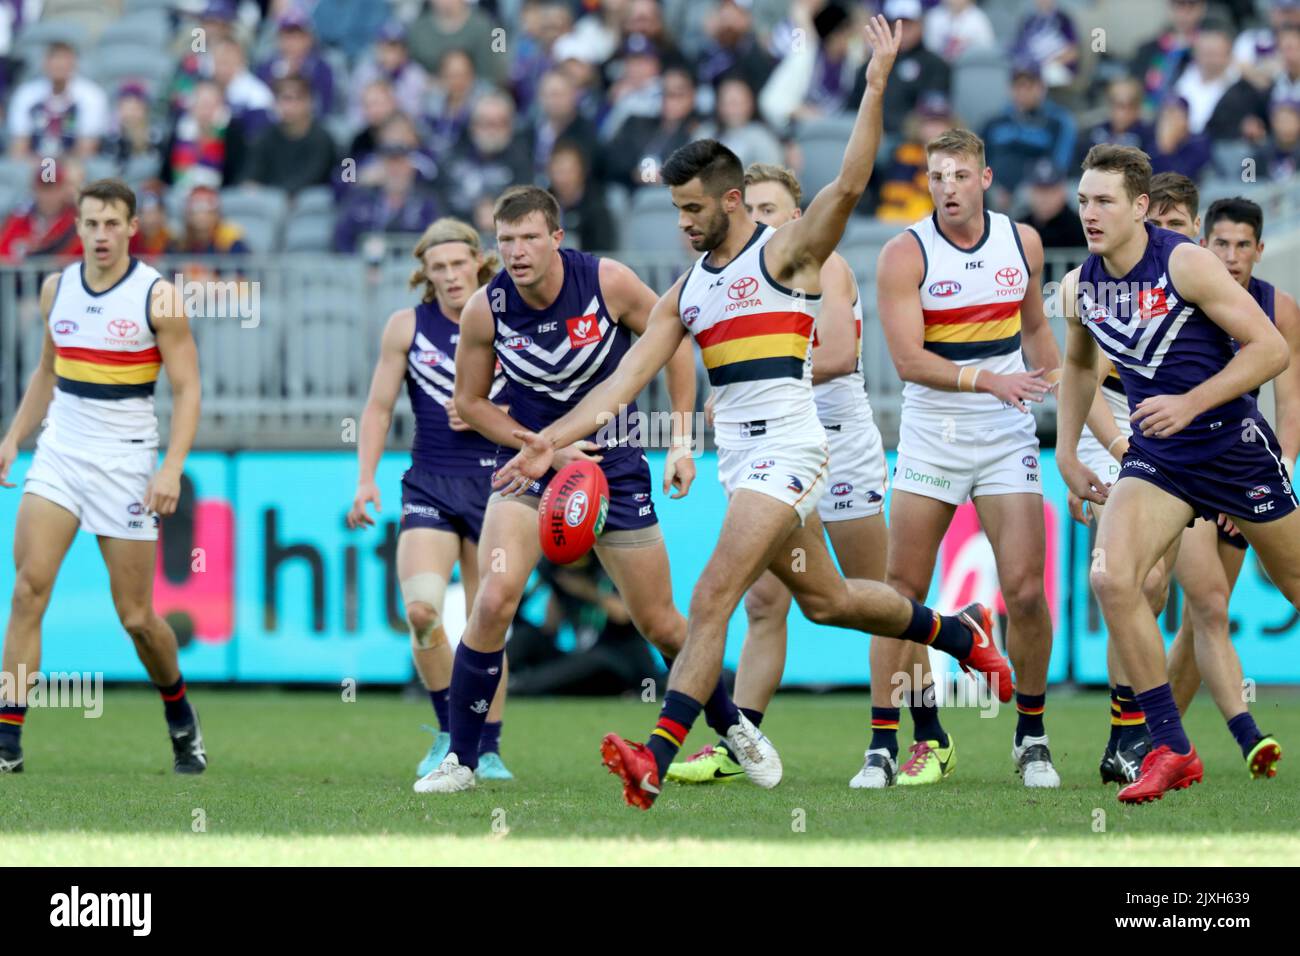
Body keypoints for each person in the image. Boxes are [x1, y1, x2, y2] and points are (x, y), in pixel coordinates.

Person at [495, 17, 1010, 812]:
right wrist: (546, 445)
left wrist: (873, 85)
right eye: (675, 208)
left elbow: (845, 187)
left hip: (794, 452)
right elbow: (621, 382)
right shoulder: (689, 288)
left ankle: (655, 757)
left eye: (694, 207)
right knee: (828, 601)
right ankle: (959, 630)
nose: (683, 221)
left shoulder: (786, 254)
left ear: (733, 200)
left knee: (710, 599)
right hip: (744, 462)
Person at [416, 184, 771, 797]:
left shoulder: (608, 282)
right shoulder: (486, 307)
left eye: (530, 237)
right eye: (506, 241)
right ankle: (463, 759)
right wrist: (540, 446)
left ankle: (732, 723)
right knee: (495, 597)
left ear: (557, 238)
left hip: (616, 467)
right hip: (528, 463)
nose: (518, 251)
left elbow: (675, 342)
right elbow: (469, 402)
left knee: (660, 623)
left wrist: (682, 440)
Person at [1056, 144, 1299, 803]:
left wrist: (1191, 402)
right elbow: (1079, 366)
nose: (1090, 213)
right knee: (1111, 577)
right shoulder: (1081, 284)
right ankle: (1172, 748)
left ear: (1140, 207)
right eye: (1082, 200)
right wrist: (1067, 451)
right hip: (1159, 460)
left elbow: (1271, 350)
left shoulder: (1186, 262)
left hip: (1232, 447)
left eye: (1104, 200)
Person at [665, 162, 891, 788]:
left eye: (771, 210)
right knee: (775, 601)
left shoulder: (823, 262)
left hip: (837, 440)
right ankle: (744, 737)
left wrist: (754, 375)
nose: (759, 221)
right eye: (753, 209)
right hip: (772, 449)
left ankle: (903, 736)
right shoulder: (728, 275)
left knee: (869, 591)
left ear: (796, 215)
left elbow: (841, 354)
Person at [874, 127, 1062, 789]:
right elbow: (907, 361)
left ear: (984, 180)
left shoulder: (1023, 241)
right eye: (937, 177)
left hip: (1006, 432)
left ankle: (1031, 737)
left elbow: (1034, 323)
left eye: (960, 176)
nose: (947, 188)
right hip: (934, 435)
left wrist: (1060, 380)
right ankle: (882, 744)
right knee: (899, 594)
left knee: (1026, 593)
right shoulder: (905, 253)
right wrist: (988, 379)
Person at [0, 179, 204, 774]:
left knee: (137, 618)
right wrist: (14, 438)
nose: (101, 235)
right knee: (27, 590)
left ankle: (180, 716)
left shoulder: (157, 296)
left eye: (113, 223)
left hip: (125, 460)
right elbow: (46, 371)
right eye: (91, 223)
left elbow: (189, 389)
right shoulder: (55, 289)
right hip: (61, 453)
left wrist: (171, 466)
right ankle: (8, 741)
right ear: (79, 226)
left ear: (132, 228)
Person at [347, 218, 513, 783]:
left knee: (486, 618)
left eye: (458, 264)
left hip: (498, 485)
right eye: (437, 267)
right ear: (425, 273)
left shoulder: (508, 315)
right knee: (420, 610)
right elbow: (376, 407)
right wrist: (365, 478)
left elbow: (544, 395)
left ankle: (485, 750)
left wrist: (492, 410)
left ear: (478, 262)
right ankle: (450, 735)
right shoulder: (406, 327)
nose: (449, 276)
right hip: (432, 484)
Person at [1162, 196, 1296, 780]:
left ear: (1260, 251)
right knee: (1209, 605)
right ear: (1202, 244)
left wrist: (1273, 475)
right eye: (1222, 244)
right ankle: (1215, 738)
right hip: (1185, 472)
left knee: (1201, 620)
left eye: (1244, 245)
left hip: (1246, 472)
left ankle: (1158, 743)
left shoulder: (1278, 309)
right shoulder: (1181, 299)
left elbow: (1289, 407)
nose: (1233, 256)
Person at [6, 40, 108, 159]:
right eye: (55, 58)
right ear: (45, 63)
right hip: (33, 165)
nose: (59, 64)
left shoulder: (92, 95)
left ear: (75, 63)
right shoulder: (26, 94)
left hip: (74, 165)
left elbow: (87, 148)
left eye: (64, 59)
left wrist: (57, 169)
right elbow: (18, 146)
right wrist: (42, 168)